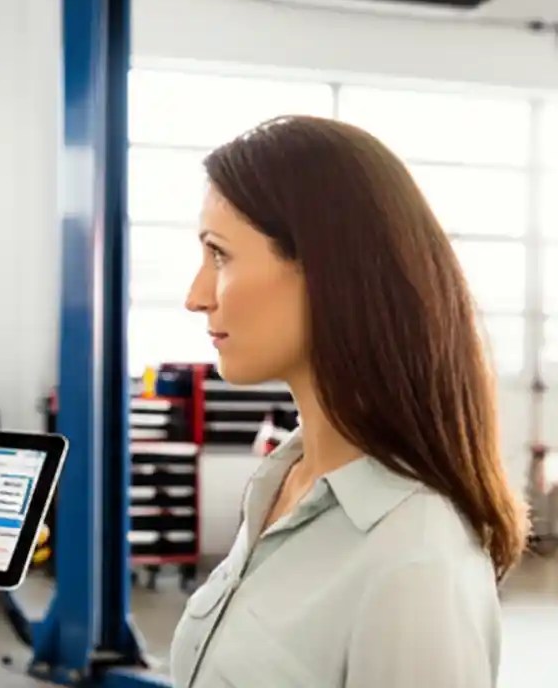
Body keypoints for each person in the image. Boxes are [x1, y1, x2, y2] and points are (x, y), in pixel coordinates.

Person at [169, 115, 529, 688]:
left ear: (325, 271)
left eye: (220, 256)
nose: (196, 296)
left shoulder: (413, 565)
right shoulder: (283, 486)